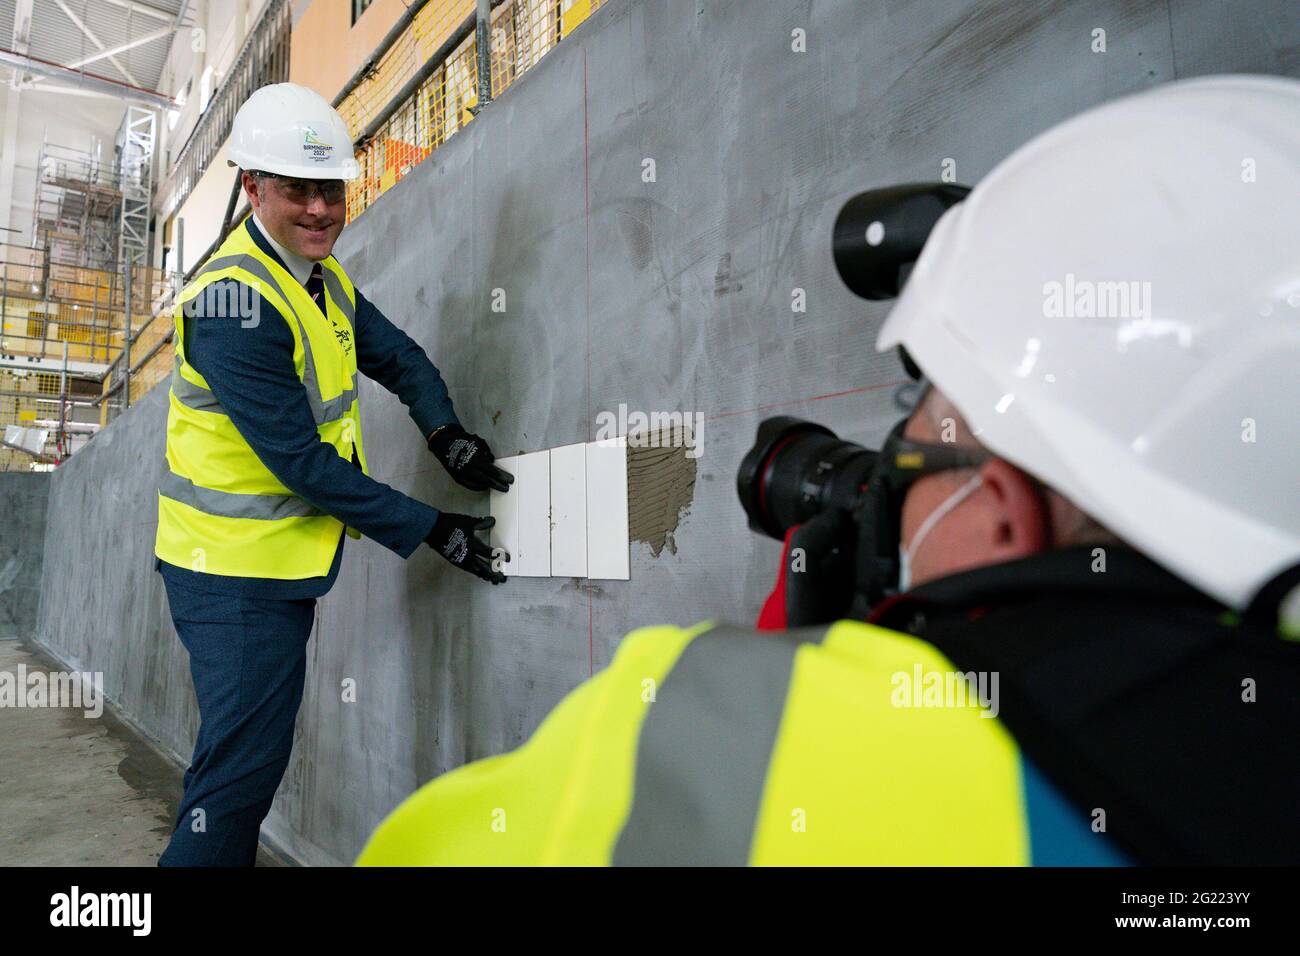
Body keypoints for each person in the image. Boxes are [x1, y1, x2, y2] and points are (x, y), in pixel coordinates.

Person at [356, 76, 1299, 865]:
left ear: (1008, 510)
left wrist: (793, 673)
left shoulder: (709, 731)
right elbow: (297, 454)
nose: (887, 473)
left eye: (921, 426)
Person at [154, 83, 514, 866]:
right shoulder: (231, 306)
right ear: (253, 186)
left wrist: (444, 434)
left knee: (240, 768)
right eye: (296, 190)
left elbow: (399, 356)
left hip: (272, 571)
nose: (320, 209)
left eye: (331, 190)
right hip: (233, 579)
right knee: (238, 783)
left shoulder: (319, 279)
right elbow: (301, 464)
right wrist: (433, 529)